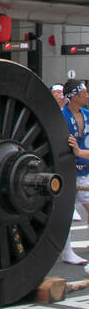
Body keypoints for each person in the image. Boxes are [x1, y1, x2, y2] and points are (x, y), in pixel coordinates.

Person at [61, 79, 89, 268]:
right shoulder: (61, 118)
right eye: (84, 92)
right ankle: (67, 251)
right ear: (74, 97)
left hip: (86, 169)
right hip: (68, 172)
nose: (87, 95)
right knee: (65, 214)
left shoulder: (88, 115)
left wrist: (80, 152)